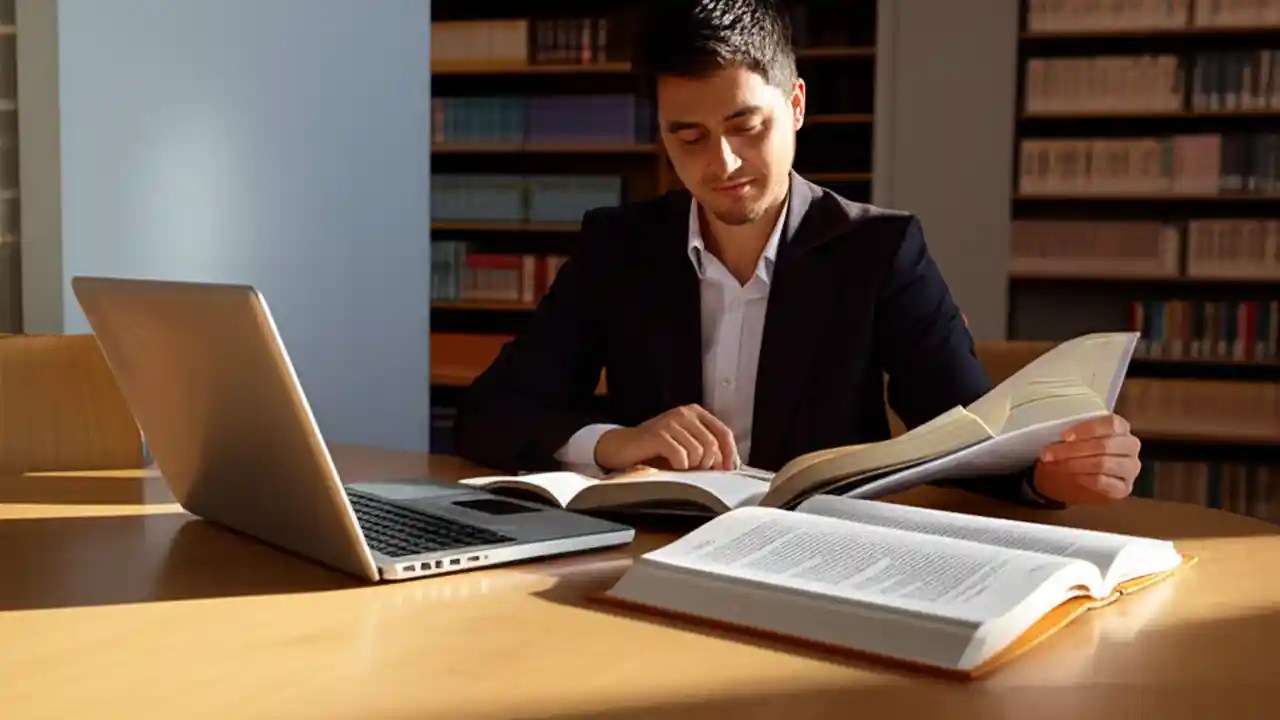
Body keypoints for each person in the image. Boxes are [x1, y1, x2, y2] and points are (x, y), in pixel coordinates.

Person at [453, 0, 1141, 507]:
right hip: (649, 554)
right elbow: (490, 413)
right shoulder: (618, 246)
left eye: (747, 127)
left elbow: (962, 432)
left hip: (819, 555)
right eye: (687, 138)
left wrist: (1046, 473)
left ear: (797, 106)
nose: (722, 163)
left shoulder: (880, 250)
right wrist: (615, 442)